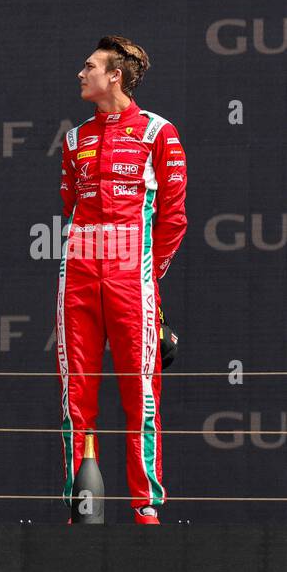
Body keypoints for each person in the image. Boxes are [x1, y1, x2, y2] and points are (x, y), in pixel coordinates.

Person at [57, 36, 187, 524]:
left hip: (134, 275)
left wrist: (146, 278)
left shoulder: (159, 132)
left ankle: (145, 507)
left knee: (141, 393)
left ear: (115, 75)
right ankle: (79, 507)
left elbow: (173, 217)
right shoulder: (74, 140)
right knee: (76, 394)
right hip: (80, 273)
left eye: (88, 66)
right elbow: (70, 207)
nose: (80, 73)